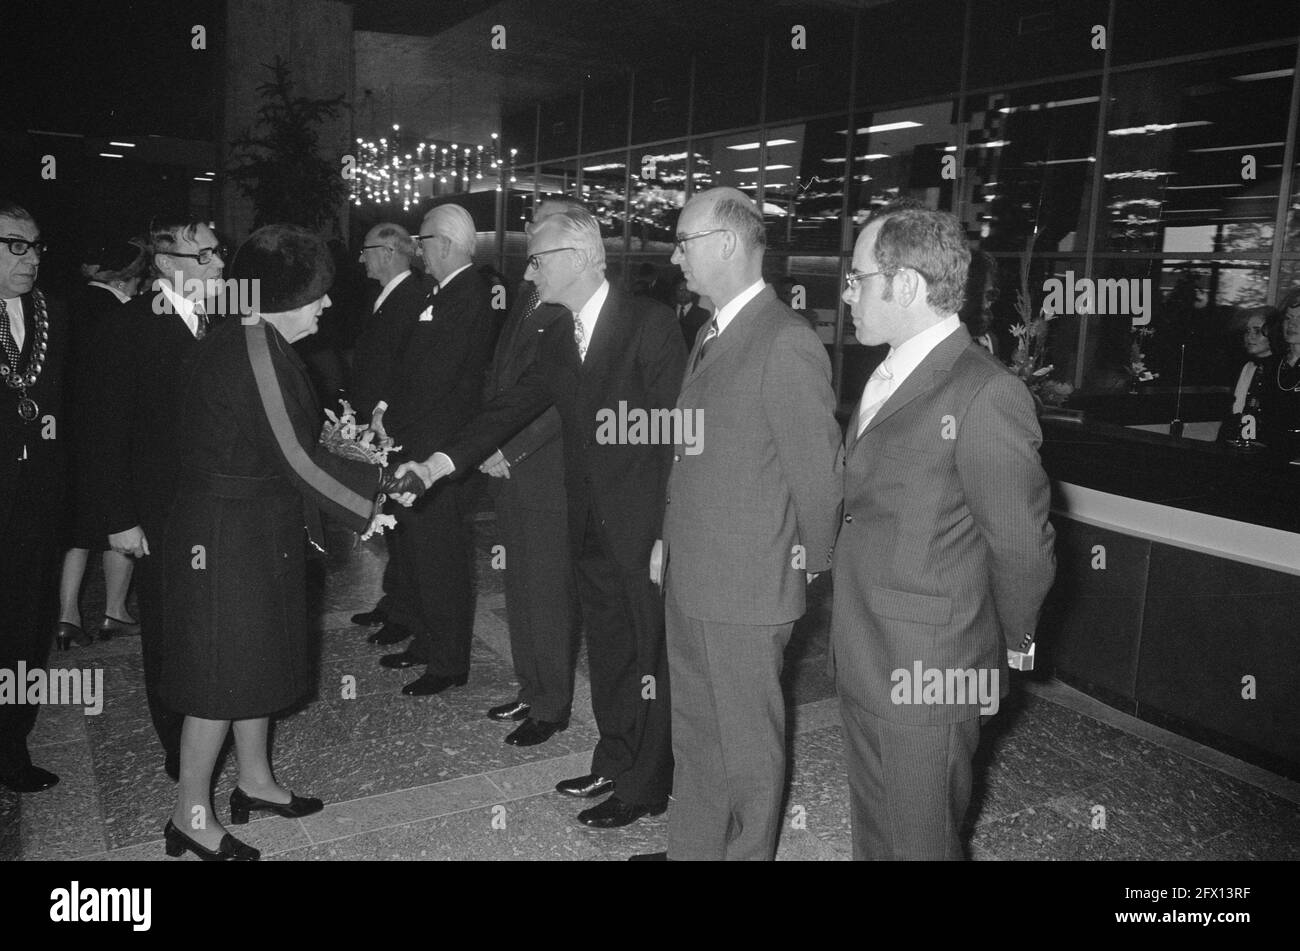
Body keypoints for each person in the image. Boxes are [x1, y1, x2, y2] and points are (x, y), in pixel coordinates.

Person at [395, 208, 686, 828]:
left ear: (580, 259)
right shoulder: (557, 334)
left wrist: (668, 528)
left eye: (539, 259)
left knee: (648, 658)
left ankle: (647, 783)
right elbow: (510, 408)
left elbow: (679, 436)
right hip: (586, 524)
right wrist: (440, 463)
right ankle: (615, 756)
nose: (528, 272)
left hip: (642, 528)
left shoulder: (649, 324)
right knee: (609, 651)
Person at [159, 224, 421, 861]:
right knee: (222, 676)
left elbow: (292, 447)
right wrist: (378, 491)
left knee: (255, 662)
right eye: (316, 294)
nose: (327, 305)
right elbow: (299, 459)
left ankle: (254, 780)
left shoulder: (260, 338)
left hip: (251, 526)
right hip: (228, 536)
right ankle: (188, 815)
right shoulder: (254, 347)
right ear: (279, 297)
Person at [834, 204, 1056, 860]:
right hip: (868, 648)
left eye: (856, 278)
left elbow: (1021, 544)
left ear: (904, 285)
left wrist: (1012, 646)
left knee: (920, 841)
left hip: (931, 671)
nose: (847, 294)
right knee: (879, 831)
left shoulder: (984, 393)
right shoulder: (892, 370)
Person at [646, 189, 843, 861]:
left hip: (748, 586)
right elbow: (690, 449)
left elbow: (819, 478)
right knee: (697, 737)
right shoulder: (710, 331)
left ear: (727, 243)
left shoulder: (785, 341)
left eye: (684, 241)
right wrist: (666, 539)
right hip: (694, 572)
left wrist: (800, 572)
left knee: (747, 751)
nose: (676, 256)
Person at [85, 215, 226, 781]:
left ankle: (210, 727)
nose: (219, 265)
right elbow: (103, 430)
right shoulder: (130, 326)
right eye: (207, 257)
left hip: (218, 509)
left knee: (212, 623)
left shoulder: (224, 323)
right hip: (160, 511)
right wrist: (118, 519)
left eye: (219, 254)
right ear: (168, 265)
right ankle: (178, 747)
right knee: (169, 632)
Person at [376, 204, 497, 697]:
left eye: (423, 241)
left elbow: (437, 381)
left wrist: (393, 421)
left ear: (443, 244)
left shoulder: (469, 295)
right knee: (422, 557)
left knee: (442, 560)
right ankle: (427, 642)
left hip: (440, 454)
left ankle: (449, 662)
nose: (418, 250)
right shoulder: (443, 292)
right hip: (419, 446)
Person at [476, 197, 583, 747]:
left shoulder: (573, 304)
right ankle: (530, 685)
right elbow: (504, 376)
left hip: (543, 469)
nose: (529, 237)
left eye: (540, 227)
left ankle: (552, 703)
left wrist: (510, 448)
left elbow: (563, 399)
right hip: (508, 463)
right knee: (519, 584)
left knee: (547, 590)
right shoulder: (528, 292)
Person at [0, 200, 67, 793]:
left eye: (36, 244)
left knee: (25, 627)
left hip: (35, 503)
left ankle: (11, 745)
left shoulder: (50, 313)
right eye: (15, 244)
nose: (31, 257)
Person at [55, 237, 148, 650]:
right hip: (113, 434)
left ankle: (67, 617)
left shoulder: (62, 305)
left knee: (76, 530)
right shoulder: (126, 314)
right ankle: (115, 611)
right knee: (119, 519)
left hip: (68, 434)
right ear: (131, 278)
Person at [348, 223, 424, 645]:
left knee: (402, 520)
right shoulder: (386, 295)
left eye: (367, 249)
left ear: (390, 251)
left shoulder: (412, 296)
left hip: (394, 427)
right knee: (388, 518)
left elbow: (405, 366)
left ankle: (405, 610)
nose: (361, 258)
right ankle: (393, 599)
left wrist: (382, 413)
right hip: (377, 424)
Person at [1219, 306, 1274, 444]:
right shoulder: (1247, 367)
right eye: (1247, 331)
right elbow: (1235, 411)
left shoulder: (1281, 371)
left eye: (1257, 331)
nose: (1250, 336)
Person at [1256, 287, 1300, 459]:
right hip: (1271, 450)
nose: (1292, 324)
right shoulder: (1272, 364)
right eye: (1288, 318)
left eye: (1299, 319)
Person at [670, 277, 710, 348]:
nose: (683, 293)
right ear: (675, 291)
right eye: (680, 289)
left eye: (687, 290)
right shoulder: (668, 312)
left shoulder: (703, 314)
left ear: (693, 292)